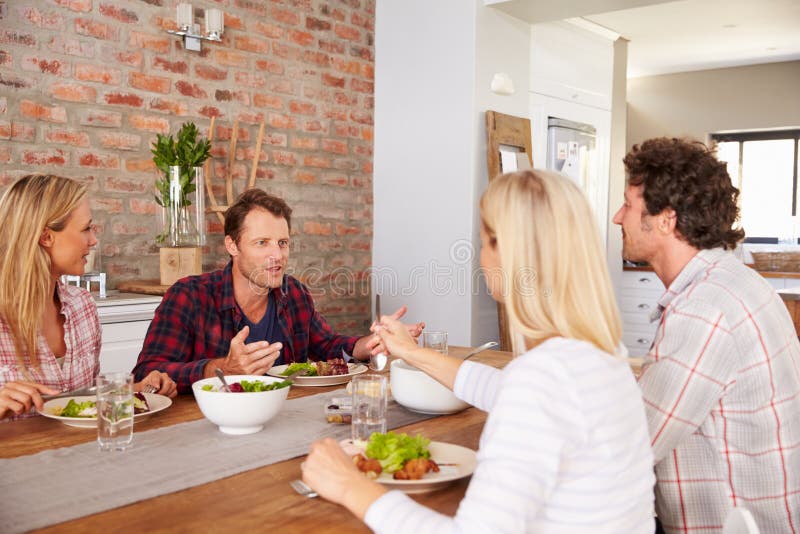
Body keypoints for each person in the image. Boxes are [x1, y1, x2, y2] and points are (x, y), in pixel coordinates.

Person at [301, 170, 656, 532]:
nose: (481, 255)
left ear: (508, 251)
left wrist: (349, 485)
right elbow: (501, 390)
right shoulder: (600, 353)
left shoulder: (543, 379)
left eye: (484, 241)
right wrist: (411, 352)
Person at [613, 137, 800, 532]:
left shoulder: (704, 310)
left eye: (629, 205)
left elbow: (628, 446)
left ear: (666, 218)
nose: (618, 217)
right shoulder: (737, 281)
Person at [133, 188, 424, 393]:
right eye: (262, 243)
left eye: (282, 243)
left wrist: (368, 344)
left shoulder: (293, 293)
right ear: (232, 245)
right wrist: (221, 368)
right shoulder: (189, 296)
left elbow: (328, 346)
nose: (277, 255)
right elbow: (148, 373)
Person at [0, 174, 176, 421]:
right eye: (85, 229)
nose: (93, 240)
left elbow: (82, 401)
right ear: (46, 236)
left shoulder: (81, 306)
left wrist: (134, 391)